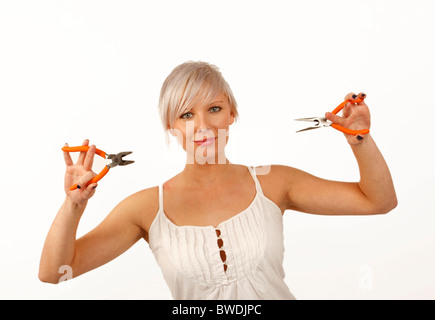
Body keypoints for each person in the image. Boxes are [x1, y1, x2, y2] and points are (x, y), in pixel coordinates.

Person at [39, 61, 398, 299]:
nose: (203, 126)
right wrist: (74, 204)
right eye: (186, 113)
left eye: (213, 109)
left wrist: (359, 138)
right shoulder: (146, 207)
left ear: (231, 114)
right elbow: (56, 272)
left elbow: (377, 201)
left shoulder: (274, 183)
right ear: (172, 127)